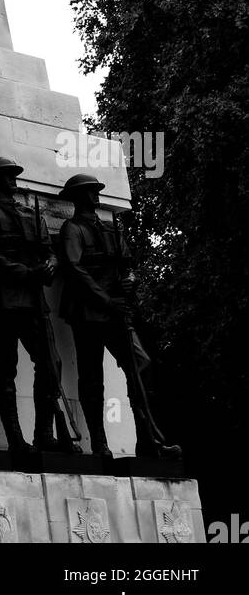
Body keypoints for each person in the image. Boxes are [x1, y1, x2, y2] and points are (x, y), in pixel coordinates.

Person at [58, 172, 181, 460]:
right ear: (78, 197)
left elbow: (129, 265)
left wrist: (131, 280)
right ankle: (100, 443)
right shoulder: (72, 229)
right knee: (92, 379)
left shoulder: (111, 228)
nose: (95, 195)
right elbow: (75, 270)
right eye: (89, 191)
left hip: (116, 312)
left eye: (95, 190)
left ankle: (149, 440)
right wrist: (107, 300)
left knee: (140, 364)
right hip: (88, 312)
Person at [0, 155, 68, 457]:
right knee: (6, 368)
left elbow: (48, 251)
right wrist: (25, 272)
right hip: (4, 300)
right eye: (6, 174)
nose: (12, 178)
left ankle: (44, 434)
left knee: (52, 365)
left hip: (34, 300)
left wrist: (51, 265)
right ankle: (15, 438)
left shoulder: (30, 213)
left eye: (13, 174)